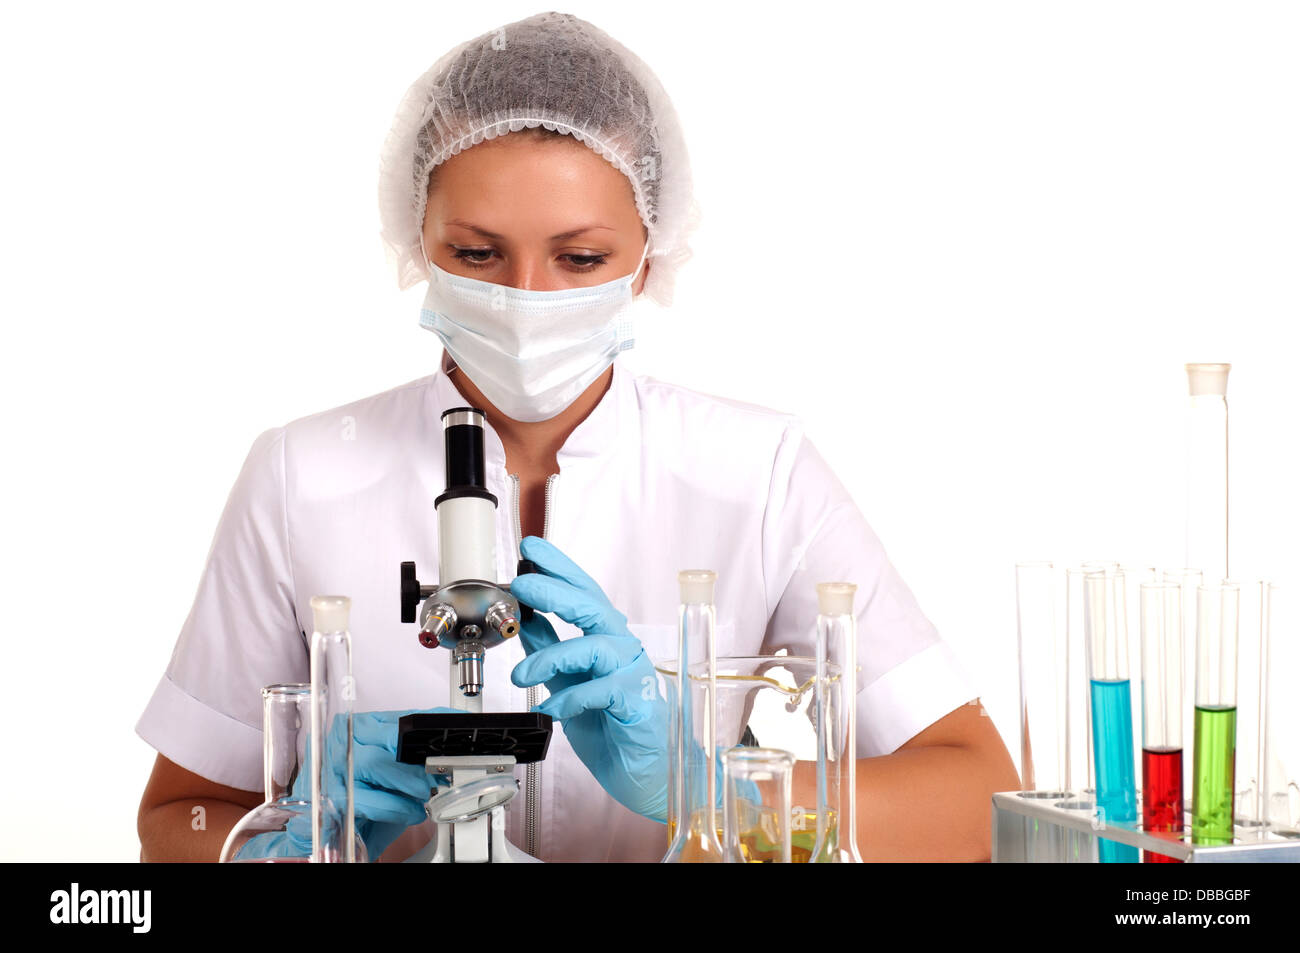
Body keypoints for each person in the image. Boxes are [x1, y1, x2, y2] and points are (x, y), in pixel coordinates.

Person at [135, 11, 1018, 863]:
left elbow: (977, 799)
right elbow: (175, 820)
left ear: (650, 252)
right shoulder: (303, 476)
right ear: (418, 241)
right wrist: (286, 837)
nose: (528, 297)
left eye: (581, 258)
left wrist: (710, 789)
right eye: (478, 254)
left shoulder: (759, 473)